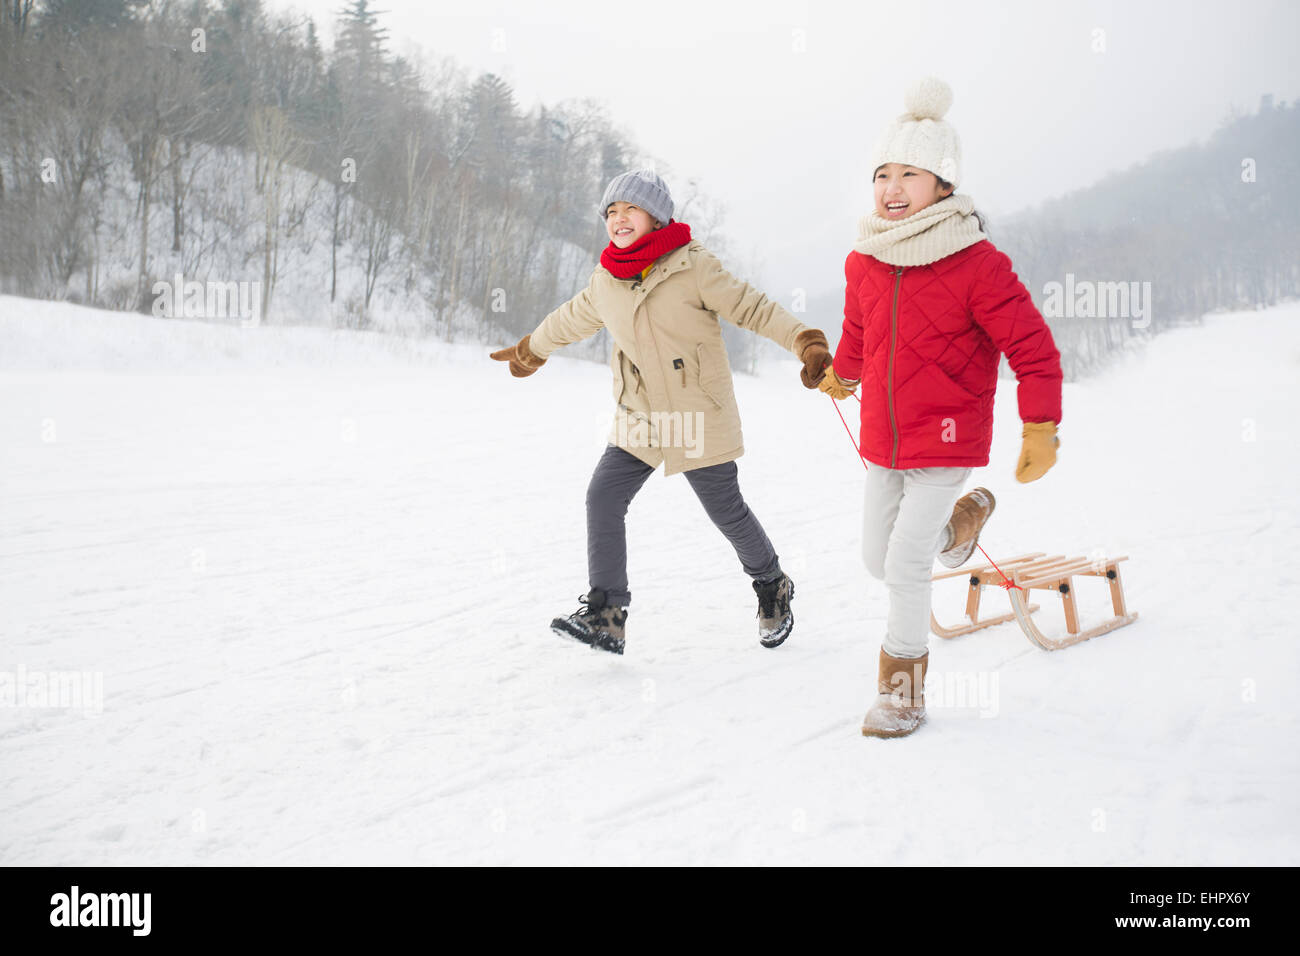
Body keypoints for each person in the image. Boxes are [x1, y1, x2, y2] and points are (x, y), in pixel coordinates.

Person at [491, 169, 832, 655]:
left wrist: (806, 342)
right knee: (603, 497)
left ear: (656, 216)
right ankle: (607, 616)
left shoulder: (693, 267)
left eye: (630, 208)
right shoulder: (607, 278)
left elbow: (752, 308)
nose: (618, 218)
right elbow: (572, 317)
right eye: (611, 211)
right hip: (641, 413)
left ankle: (772, 584)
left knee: (726, 512)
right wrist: (531, 349)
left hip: (695, 409)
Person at [817, 78, 1064, 736]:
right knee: (878, 559)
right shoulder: (864, 260)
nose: (892, 188)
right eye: (882, 175)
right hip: (884, 441)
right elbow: (859, 339)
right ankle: (961, 528)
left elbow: (1032, 346)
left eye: (910, 174)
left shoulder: (977, 263)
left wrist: (1039, 424)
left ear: (943, 186)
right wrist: (841, 377)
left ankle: (901, 694)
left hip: (948, 439)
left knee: (902, 566)